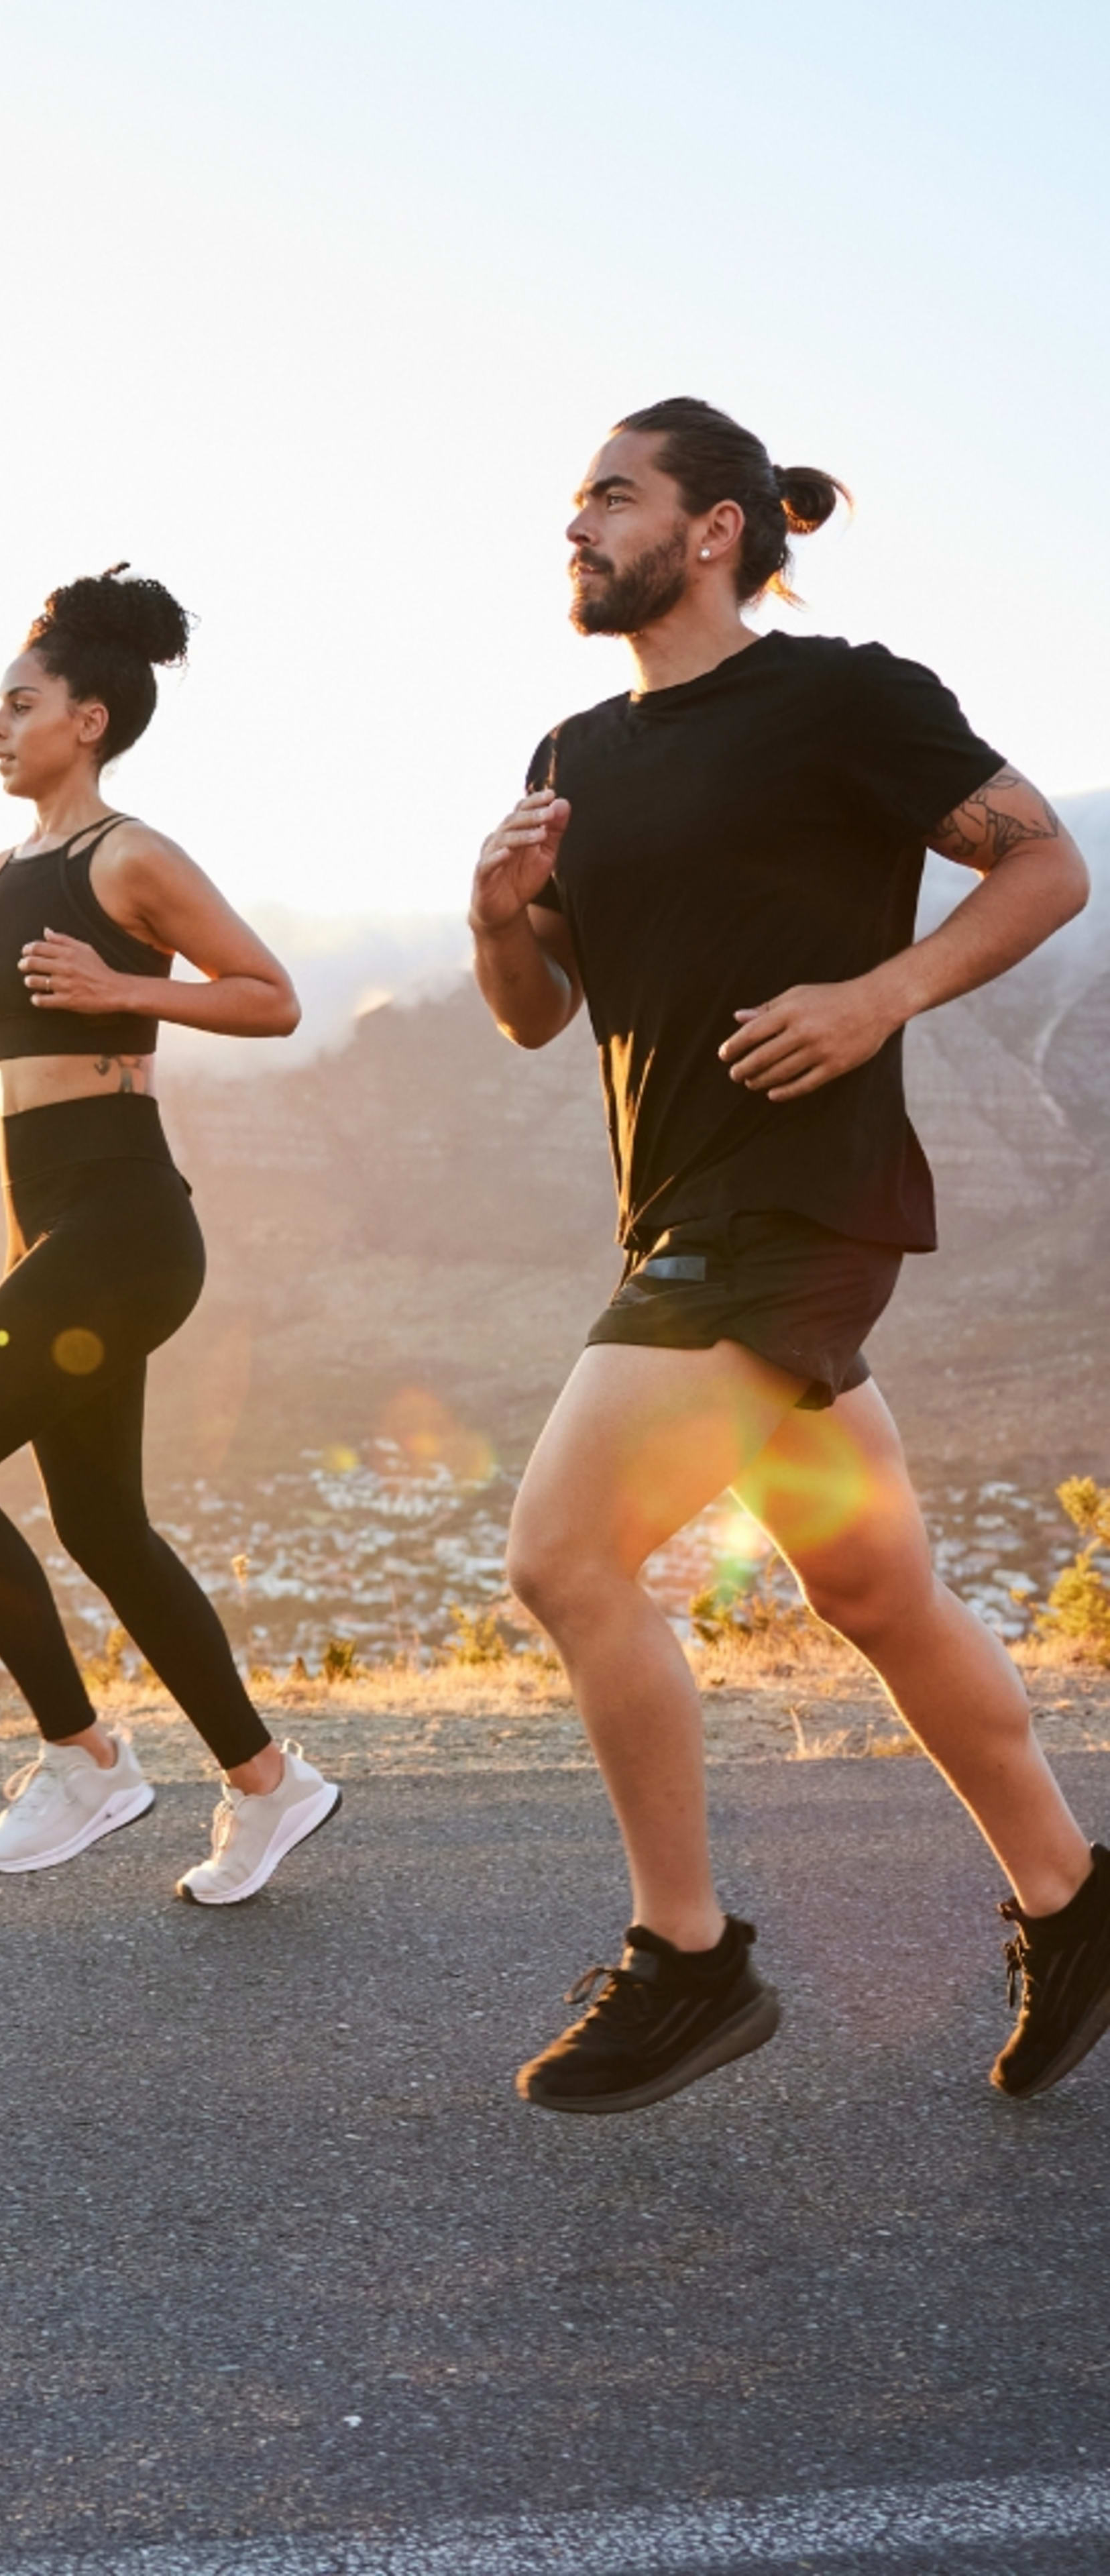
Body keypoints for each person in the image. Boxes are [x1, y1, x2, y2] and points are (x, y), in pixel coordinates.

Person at [472, 396, 1110, 2113]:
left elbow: (1044, 863)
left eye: (613, 495)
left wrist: (878, 995)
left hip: (796, 1206)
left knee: (564, 1554)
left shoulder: (842, 698)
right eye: (575, 504)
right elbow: (543, 1017)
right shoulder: (575, 759)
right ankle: (1077, 1894)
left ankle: (688, 1956)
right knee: (870, 1587)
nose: (579, 526)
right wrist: (492, 917)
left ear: (717, 530)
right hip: (686, 1210)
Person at [0, 566, 339, 1899]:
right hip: (55, 1232)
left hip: (130, 1226)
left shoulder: (128, 857)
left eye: (20, 705)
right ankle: (268, 1783)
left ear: (88, 720)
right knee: (104, 1525)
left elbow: (273, 997)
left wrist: (128, 985)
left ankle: (86, 1757)